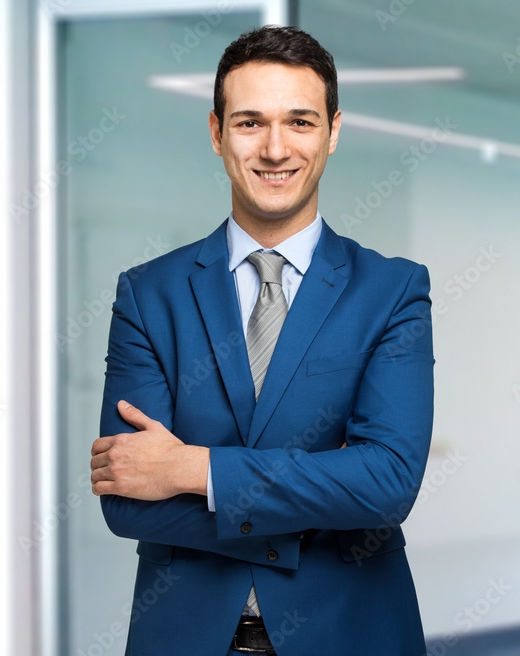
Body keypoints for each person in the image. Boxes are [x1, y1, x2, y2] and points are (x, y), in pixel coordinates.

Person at [90, 25, 434, 656]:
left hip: (351, 633)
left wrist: (193, 469)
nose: (276, 149)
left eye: (299, 122)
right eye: (250, 123)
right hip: (185, 636)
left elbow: (387, 484)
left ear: (333, 131)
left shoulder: (392, 290)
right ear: (218, 133)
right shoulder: (149, 293)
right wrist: (323, 497)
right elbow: (129, 500)